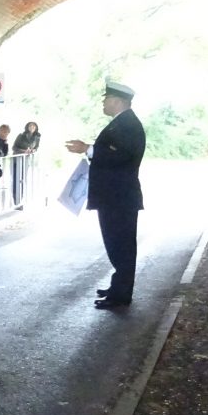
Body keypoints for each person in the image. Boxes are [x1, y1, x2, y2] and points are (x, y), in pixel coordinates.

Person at [66, 81, 146, 309]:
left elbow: (121, 156)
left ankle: (121, 295)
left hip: (119, 197)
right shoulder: (121, 123)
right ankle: (118, 286)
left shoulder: (128, 124)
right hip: (114, 196)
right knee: (116, 244)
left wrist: (88, 149)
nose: (103, 102)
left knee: (121, 245)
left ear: (118, 101)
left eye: (106, 98)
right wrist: (90, 150)